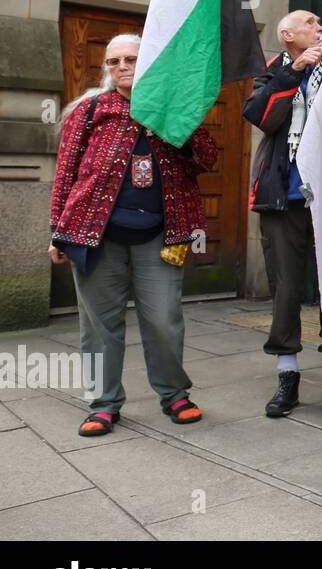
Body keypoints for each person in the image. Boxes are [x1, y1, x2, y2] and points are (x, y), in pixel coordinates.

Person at [49, 34, 217, 436]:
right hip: (95, 235)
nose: (122, 66)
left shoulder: (172, 106)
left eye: (131, 59)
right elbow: (66, 172)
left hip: (161, 233)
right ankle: (104, 403)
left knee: (163, 319)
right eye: (113, 61)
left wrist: (173, 115)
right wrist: (58, 231)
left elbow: (207, 157)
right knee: (99, 324)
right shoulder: (90, 109)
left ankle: (174, 394)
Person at [243, 10, 322, 418]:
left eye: (320, 24)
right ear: (288, 35)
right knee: (286, 286)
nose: (320, 27)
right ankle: (288, 376)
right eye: (311, 23)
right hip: (283, 195)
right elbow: (262, 115)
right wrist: (296, 71)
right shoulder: (273, 72)